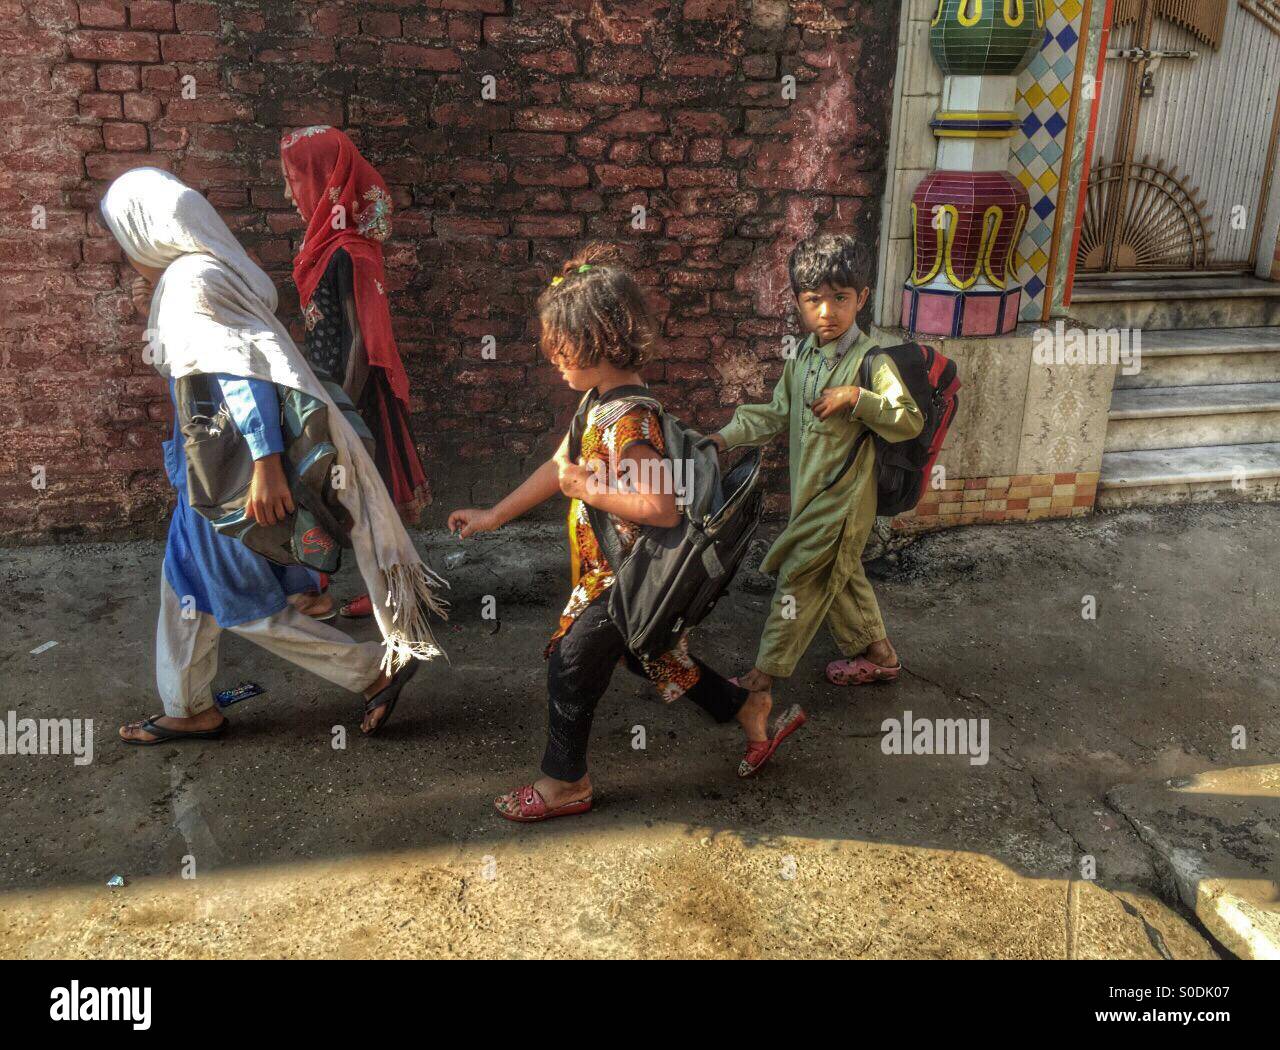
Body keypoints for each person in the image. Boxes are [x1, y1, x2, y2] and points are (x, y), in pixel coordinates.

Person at [448, 246, 806, 823]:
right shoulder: (597, 403)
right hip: (609, 572)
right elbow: (558, 466)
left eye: (561, 348)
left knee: (571, 662)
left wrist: (584, 488)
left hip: (629, 578)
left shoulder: (630, 420)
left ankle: (566, 782)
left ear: (596, 342)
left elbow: (659, 508)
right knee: (648, 657)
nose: (555, 360)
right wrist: (495, 514)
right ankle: (746, 707)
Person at [99, 168, 445, 744]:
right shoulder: (204, 273)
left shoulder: (191, 283)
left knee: (237, 598)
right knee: (186, 588)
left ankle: (374, 669)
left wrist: (265, 464)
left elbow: (241, 373)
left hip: (228, 474)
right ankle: (188, 706)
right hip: (206, 468)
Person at [710, 233, 923, 693]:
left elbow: (908, 421)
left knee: (800, 578)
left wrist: (858, 398)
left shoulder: (871, 362)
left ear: (862, 298)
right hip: (811, 497)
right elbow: (775, 413)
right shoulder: (804, 355)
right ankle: (881, 656)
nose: (827, 312)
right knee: (841, 576)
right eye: (815, 300)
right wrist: (722, 438)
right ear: (799, 303)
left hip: (844, 501)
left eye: (841, 298)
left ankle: (762, 676)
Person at [280, 125, 431, 620]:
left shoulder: (350, 251)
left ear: (325, 180)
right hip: (332, 390)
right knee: (345, 492)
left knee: (369, 495)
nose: (287, 191)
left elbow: (365, 338)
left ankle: (396, 593)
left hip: (355, 394)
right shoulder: (328, 246)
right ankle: (339, 585)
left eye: (294, 178)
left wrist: (342, 410)